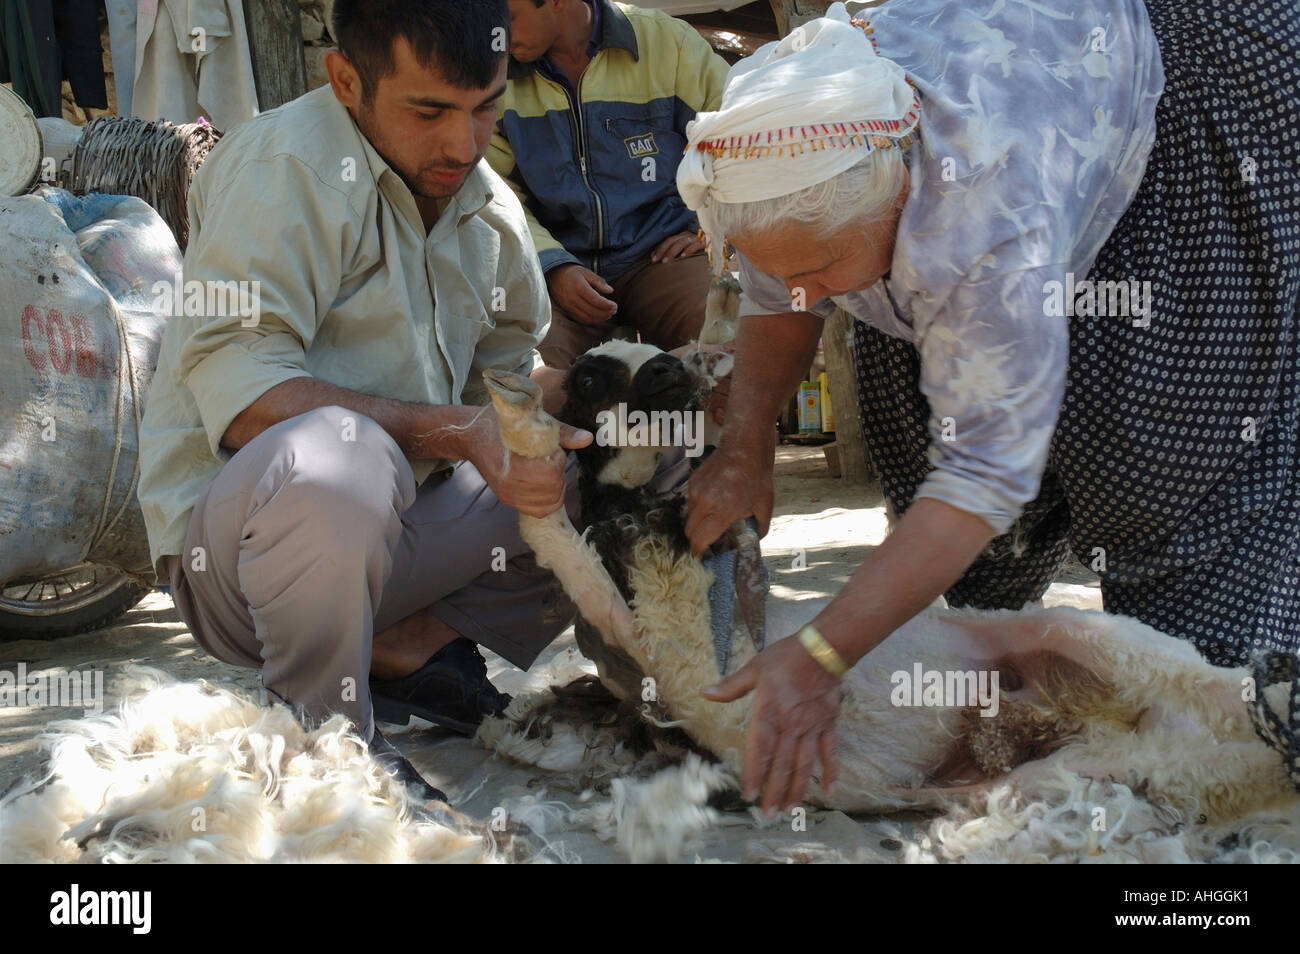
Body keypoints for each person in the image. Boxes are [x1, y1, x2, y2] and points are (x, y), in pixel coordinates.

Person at [679, 0, 1300, 816]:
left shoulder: (985, 214)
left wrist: (819, 655)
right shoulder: (778, 144)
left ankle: (1238, 730)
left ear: (898, 189)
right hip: (950, 198)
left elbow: (982, 476)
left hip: (1154, 142)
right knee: (973, 559)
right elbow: (782, 284)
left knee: (1164, 500)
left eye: (827, 265)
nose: (812, 293)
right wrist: (746, 443)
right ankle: (1015, 690)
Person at [137, 0, 593, 803]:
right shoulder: (283, 171)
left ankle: (407, 647)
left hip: (399, 542)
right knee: (341, 454)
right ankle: (328, 741)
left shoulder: (487, 204)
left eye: (485, 107)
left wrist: (589, 402)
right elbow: (244, 395)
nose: (463, 144)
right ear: (346, 80)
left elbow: (507, 380)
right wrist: (458, 431)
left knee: (634, 441)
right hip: (246, 561)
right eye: (429, 111)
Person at [488, 0, 730, 370]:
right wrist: (551, 264)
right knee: (527, 374)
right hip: (550, 266)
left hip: (663, 252)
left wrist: (711, 225)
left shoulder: (669, 43)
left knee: (725, 345)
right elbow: (492, 188)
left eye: (509, 18)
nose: (497, 36)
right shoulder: (492, 67)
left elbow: (738, 138)